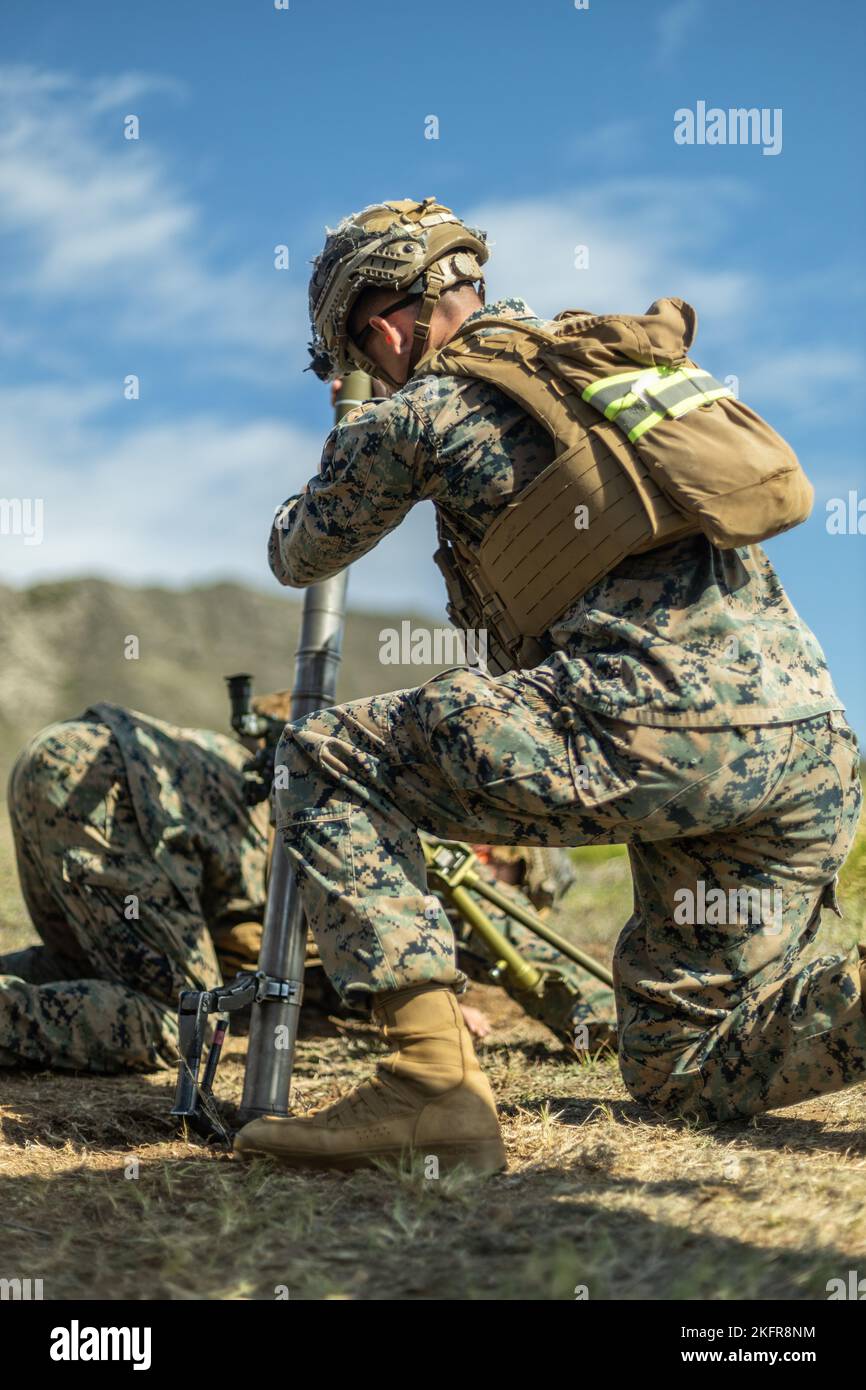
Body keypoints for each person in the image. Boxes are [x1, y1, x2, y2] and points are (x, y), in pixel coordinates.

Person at [232, 196, 863, 1174]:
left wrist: (352, 418)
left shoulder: (430, 403)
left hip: (649, 727)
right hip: (806, 749)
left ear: (390, 321)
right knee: (679, 1066)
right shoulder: (607, 367)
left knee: (322, 758)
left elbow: (298, 547)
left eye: (360, 353)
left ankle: (430, 1085)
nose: (366, 372)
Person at [0, 702, 612, 1070]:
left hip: (74, 759)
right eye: (511, 883)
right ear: (492, 855)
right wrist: (618, 1027)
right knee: (182, 1022)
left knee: (76, 964)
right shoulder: (438, 855)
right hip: (115, 792)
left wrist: (414, 1000)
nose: (501, 895)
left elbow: (304, 972)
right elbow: (543, 963)